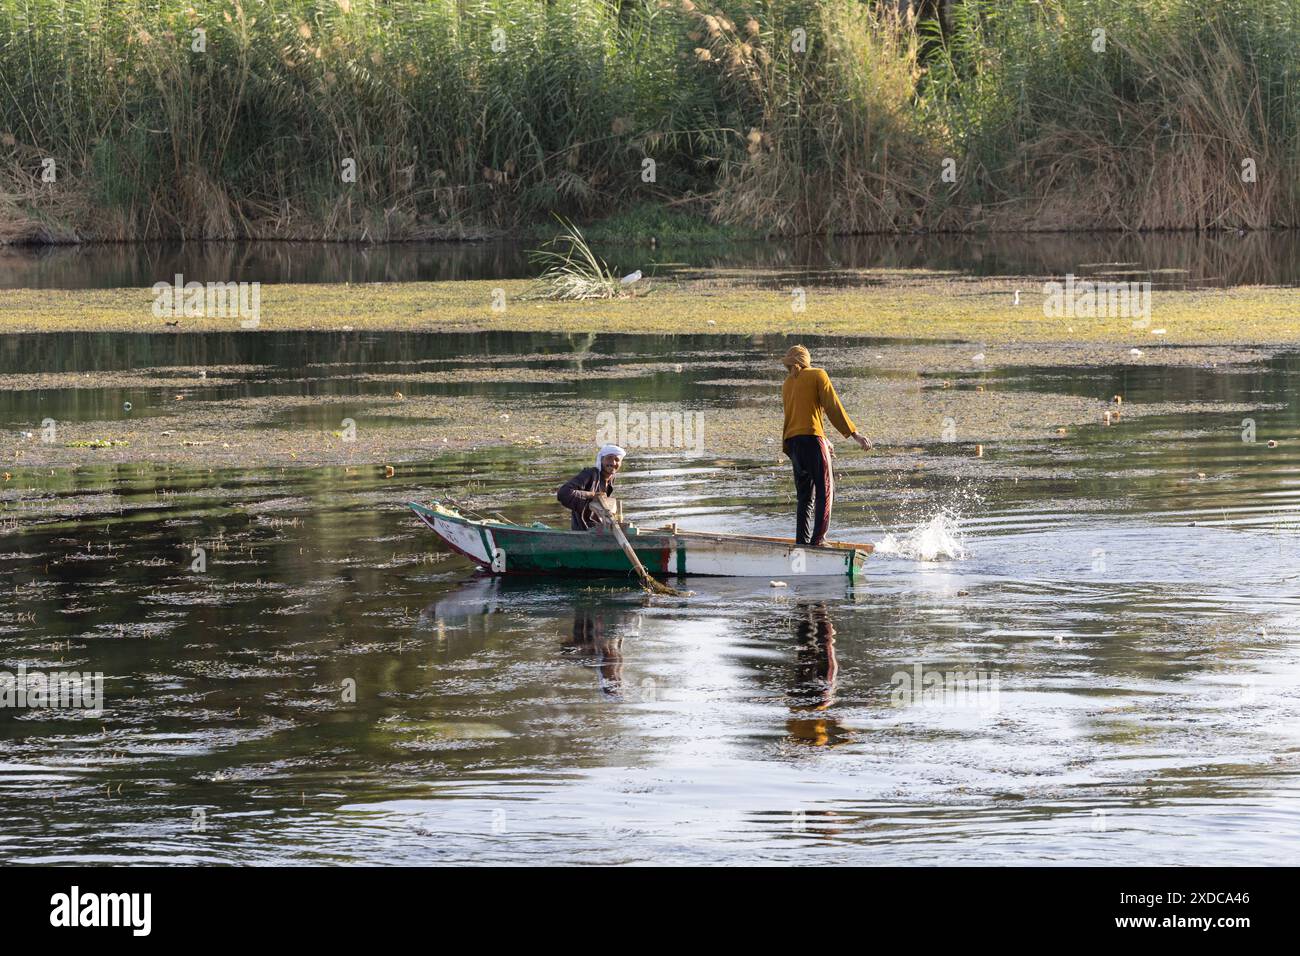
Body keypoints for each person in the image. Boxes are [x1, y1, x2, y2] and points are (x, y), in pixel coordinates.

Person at [780, 345, 871, 546]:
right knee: (825, 490)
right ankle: (819, 540)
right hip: (812, 441)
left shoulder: (787, 384)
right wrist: (854, 434)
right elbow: (832, 406)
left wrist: (824, 439)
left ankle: (802, 543)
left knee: (804, 498)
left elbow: (800, 418)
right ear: (807, 361)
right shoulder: (818, 375)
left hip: (794, 444)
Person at [556, 443, 625, 530]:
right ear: (601, 460)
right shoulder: (589, 474)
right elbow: (563, 493)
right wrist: (592, 495)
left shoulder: (610, 479)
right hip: (583, 530)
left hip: (599, 529)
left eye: (617, 459)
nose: (612, 463)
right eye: (609, 458)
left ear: (620, 463)